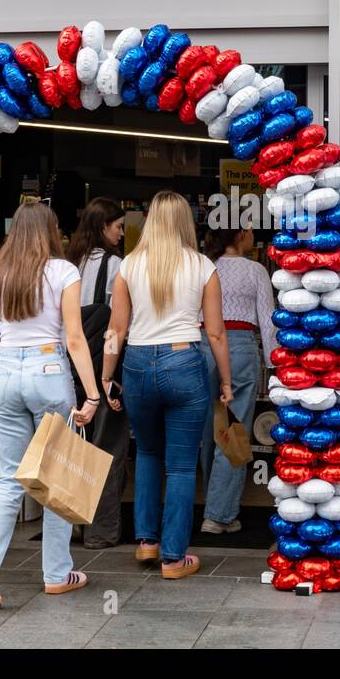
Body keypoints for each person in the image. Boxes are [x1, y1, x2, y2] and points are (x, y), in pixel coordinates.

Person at [0, 202, 102, 609]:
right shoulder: (64, 272)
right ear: (52, 231)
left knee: (9, 479)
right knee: (55, 478)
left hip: (4, 372)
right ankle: (57, 574)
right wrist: (92, 394)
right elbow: (75, 338)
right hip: (47, 369)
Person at [101, 191, 232, 579]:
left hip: (137, 365)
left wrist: (108, 376)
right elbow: (217, 333)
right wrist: (226, 381)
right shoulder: (202, 265)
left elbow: (116, 330)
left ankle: (147, 543)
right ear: (185, 222)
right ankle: (174, 558)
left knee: (146, 455)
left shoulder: (129, 265)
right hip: (185, 364)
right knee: (180, 466)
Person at [198, 225, 276, 534]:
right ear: (240, 235)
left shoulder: (204, 268)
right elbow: (268, 321)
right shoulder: (256, 270)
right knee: (233, 430)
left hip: (204, 345)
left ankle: (210, 503)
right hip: (241, 346)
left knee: (207, 431)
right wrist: (273, 364)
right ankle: (219, 514)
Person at [66, 197, 127, 550]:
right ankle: (100, 532)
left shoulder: (67, 263)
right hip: (101, 368)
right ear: (103, 227)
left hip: (69, 367)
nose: (121, 232)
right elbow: (115, 328)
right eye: (118, 226)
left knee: (70, 449)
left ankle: (68, 525)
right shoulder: (116, 265)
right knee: (106, 449)